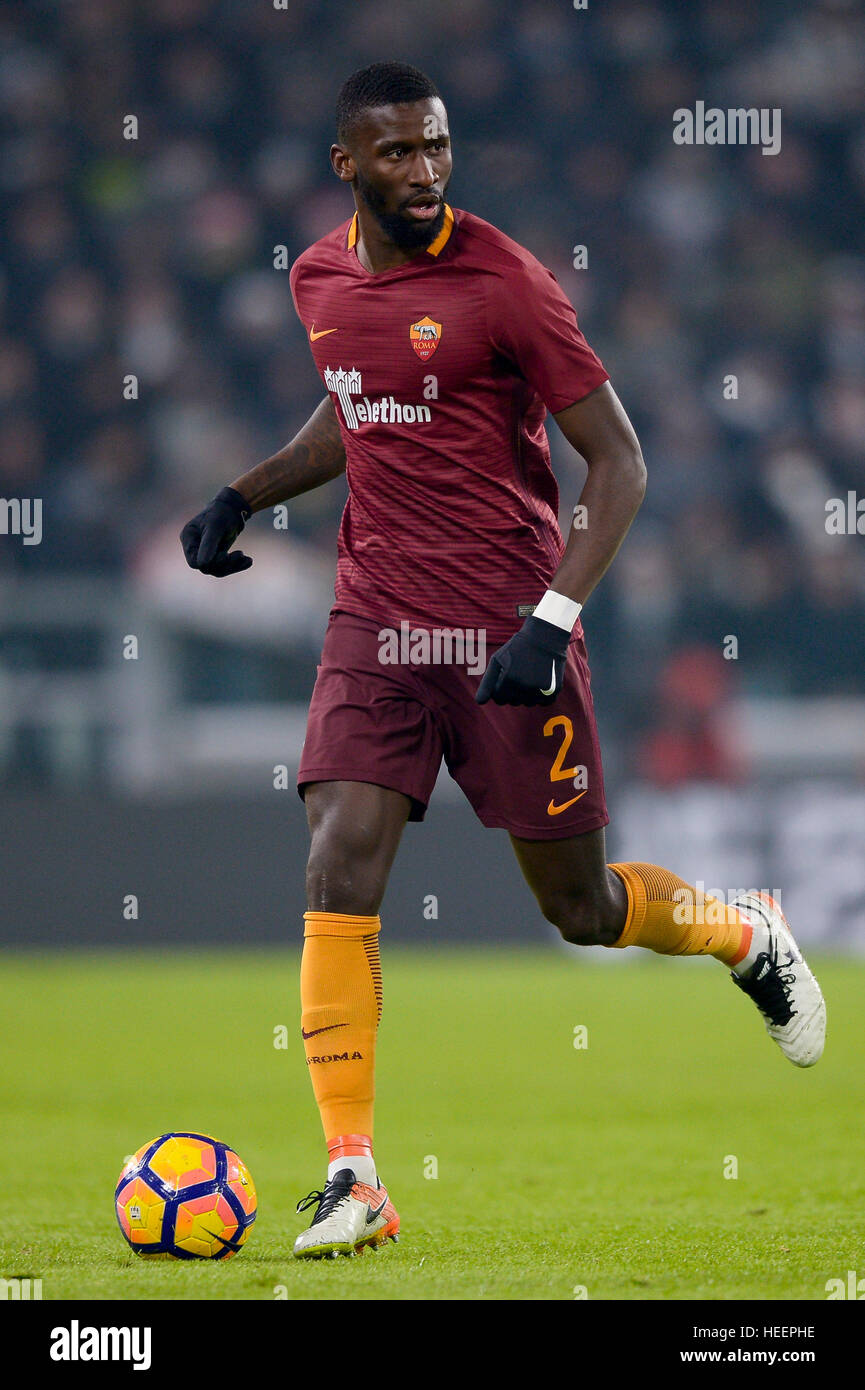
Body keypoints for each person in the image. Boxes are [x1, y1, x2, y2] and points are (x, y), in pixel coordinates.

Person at [181, 61, 826, 1260]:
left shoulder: (504, 281)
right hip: (374, 619)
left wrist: (552, 621)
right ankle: (353, 1173)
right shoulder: (315, 276)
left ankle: (745, 936)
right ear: (346, 167)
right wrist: (244, 493)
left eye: (435, 148)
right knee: (339, 859)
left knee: (579, 908)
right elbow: (357, 400)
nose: (422, 172)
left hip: (504, 630)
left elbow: (619, 463)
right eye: (396, 154)